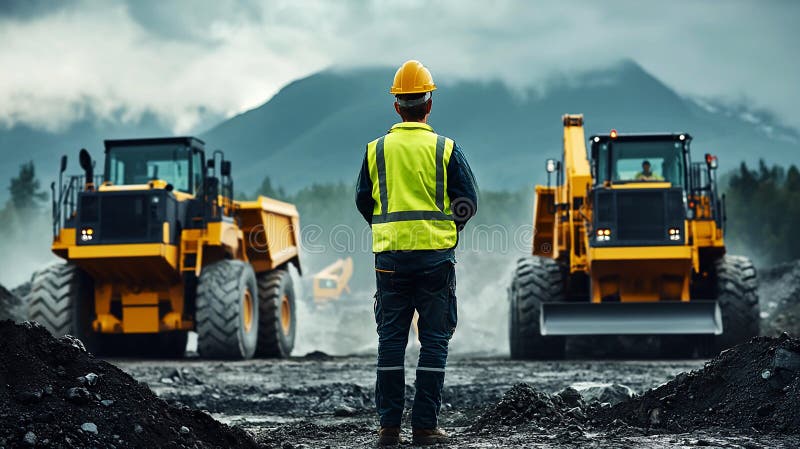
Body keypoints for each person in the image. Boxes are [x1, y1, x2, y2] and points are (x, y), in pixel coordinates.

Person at [355, 60, 478, 446]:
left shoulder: (376, 151)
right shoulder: (445, 149)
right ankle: (425, 426)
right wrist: (449, 230)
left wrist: (387, 229)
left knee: (391, 340)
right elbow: (467, 202)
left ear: (396, 106)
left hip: (390, 260)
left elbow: (364, 201)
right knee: (435, 341)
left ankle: (388, 428)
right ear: (429, 105)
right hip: (435, 261)